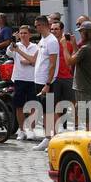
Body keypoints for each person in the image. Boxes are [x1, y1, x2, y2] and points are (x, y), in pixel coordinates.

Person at [33, 15, 61, 148]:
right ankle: (47, 137)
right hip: (39, 80)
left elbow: (52, 64)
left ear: (42, 25)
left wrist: (48, 84)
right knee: (44, 111)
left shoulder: (52, 41)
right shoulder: (42, 40)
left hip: (48, 81)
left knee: (50, 111)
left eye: (36, 25)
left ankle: (53, 139)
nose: (35, 27)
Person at [10, 24, 39, 139]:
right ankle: (21, 130)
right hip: (19, 78)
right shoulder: (16, 45)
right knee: (19, 106)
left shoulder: (35, 47)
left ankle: (31, 130)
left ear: (30, 34)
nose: (23, 35)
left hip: (33, 79)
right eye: (21, 33)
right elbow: (10, 51)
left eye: (25, 33)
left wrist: (28, 61)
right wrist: (14, 41)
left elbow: (35, 61)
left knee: (33, 106)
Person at [72, 22, 91, 128]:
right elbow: (78, 59)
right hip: (89, 84)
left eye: (81, 31)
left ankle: (90, 139)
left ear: (85, 33)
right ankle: (90, 135)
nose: (80, 33)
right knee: (87, 114)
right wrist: (74, 44)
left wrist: (64, 46)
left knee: (87, 116)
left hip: (83, 85)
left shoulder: (85, 48)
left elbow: (70, 61)